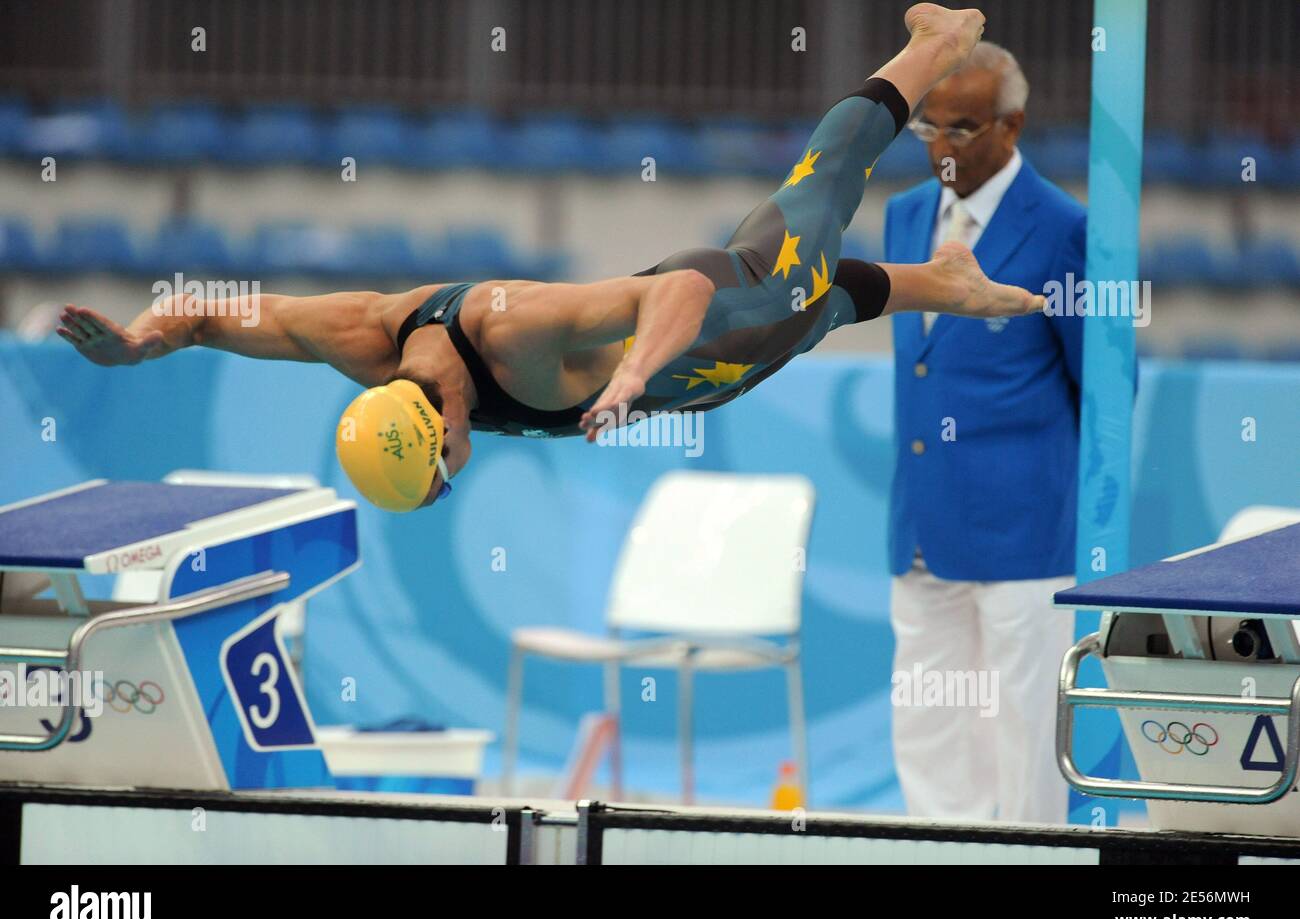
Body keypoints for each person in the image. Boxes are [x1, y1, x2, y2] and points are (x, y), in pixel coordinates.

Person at [59, 4, 1041, 513]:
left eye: (444, 478)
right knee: (784, 333)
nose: (458, 475)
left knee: (802, 236)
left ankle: (928, 42)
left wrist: (630, 373)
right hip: (668, 366)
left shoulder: (514, 334)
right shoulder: (362, 341)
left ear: (441, 438)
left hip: (689, 311)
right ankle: (937, 283)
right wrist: (146, 340)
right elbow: (218, 312)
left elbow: (686, 288)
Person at [883, 41, 1087, 823]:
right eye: (927, 127)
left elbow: (1103, 385)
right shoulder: (903, 215)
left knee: (1028, 728)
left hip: (1026, 528)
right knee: (929, 724)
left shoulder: (1066, 228)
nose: (941, 147)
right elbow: (927, 363)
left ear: (1013, 125)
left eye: (962, 129)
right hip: (923, 521)